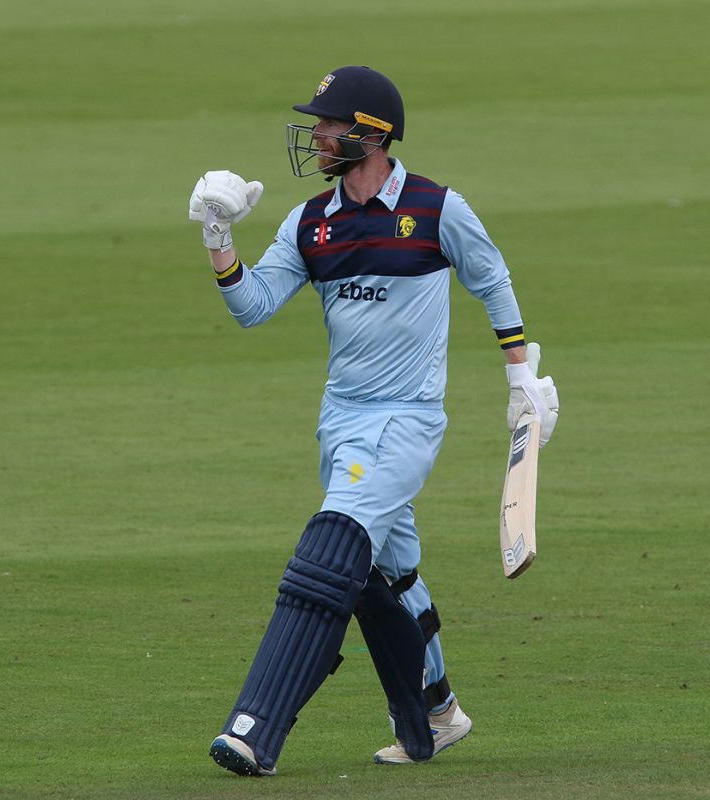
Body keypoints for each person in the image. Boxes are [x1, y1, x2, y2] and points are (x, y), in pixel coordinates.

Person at [188, 65, 559, 777]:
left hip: (407, 422)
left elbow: (492, 278)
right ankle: (441, 712)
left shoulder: (437, 208)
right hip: (341, 424)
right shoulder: (310, 222)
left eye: (329, 125)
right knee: (389, 578)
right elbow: (253, 306)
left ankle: (255, 730)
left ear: (371, 135)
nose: (318, 136)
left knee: (331, 552)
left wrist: (522, 382)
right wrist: (217, 234)